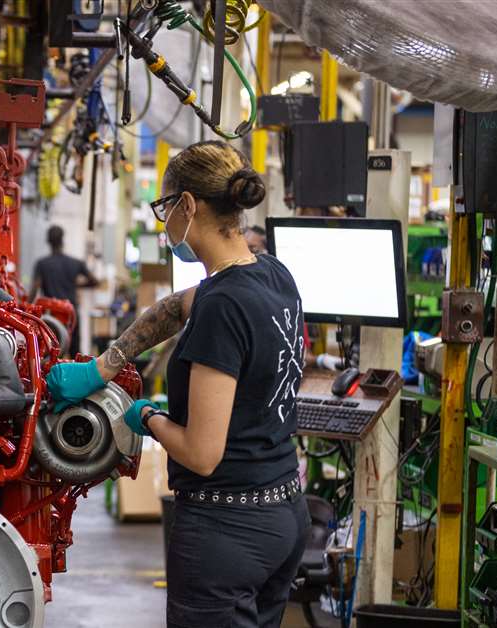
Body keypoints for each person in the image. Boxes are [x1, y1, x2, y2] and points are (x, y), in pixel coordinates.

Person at [47, 141, 307, 628]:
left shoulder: (222, 306)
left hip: (226, 530)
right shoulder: (271, 273)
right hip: (283, 515)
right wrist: (103, 367)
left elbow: (201, 453)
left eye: (165, 208)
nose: (164, 222)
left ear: (188, 206)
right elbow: (171, 308)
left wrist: (146, 416)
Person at [31, 225, 97, 355]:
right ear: (63, 240)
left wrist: (26, 309)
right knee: (75, 352)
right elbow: (94, 281)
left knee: (49, 352)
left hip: (51, 316)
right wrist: (76, 285)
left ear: (48, 241)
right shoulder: (76, 263)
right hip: (71, 313)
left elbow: (35, 289)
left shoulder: (42, 264)